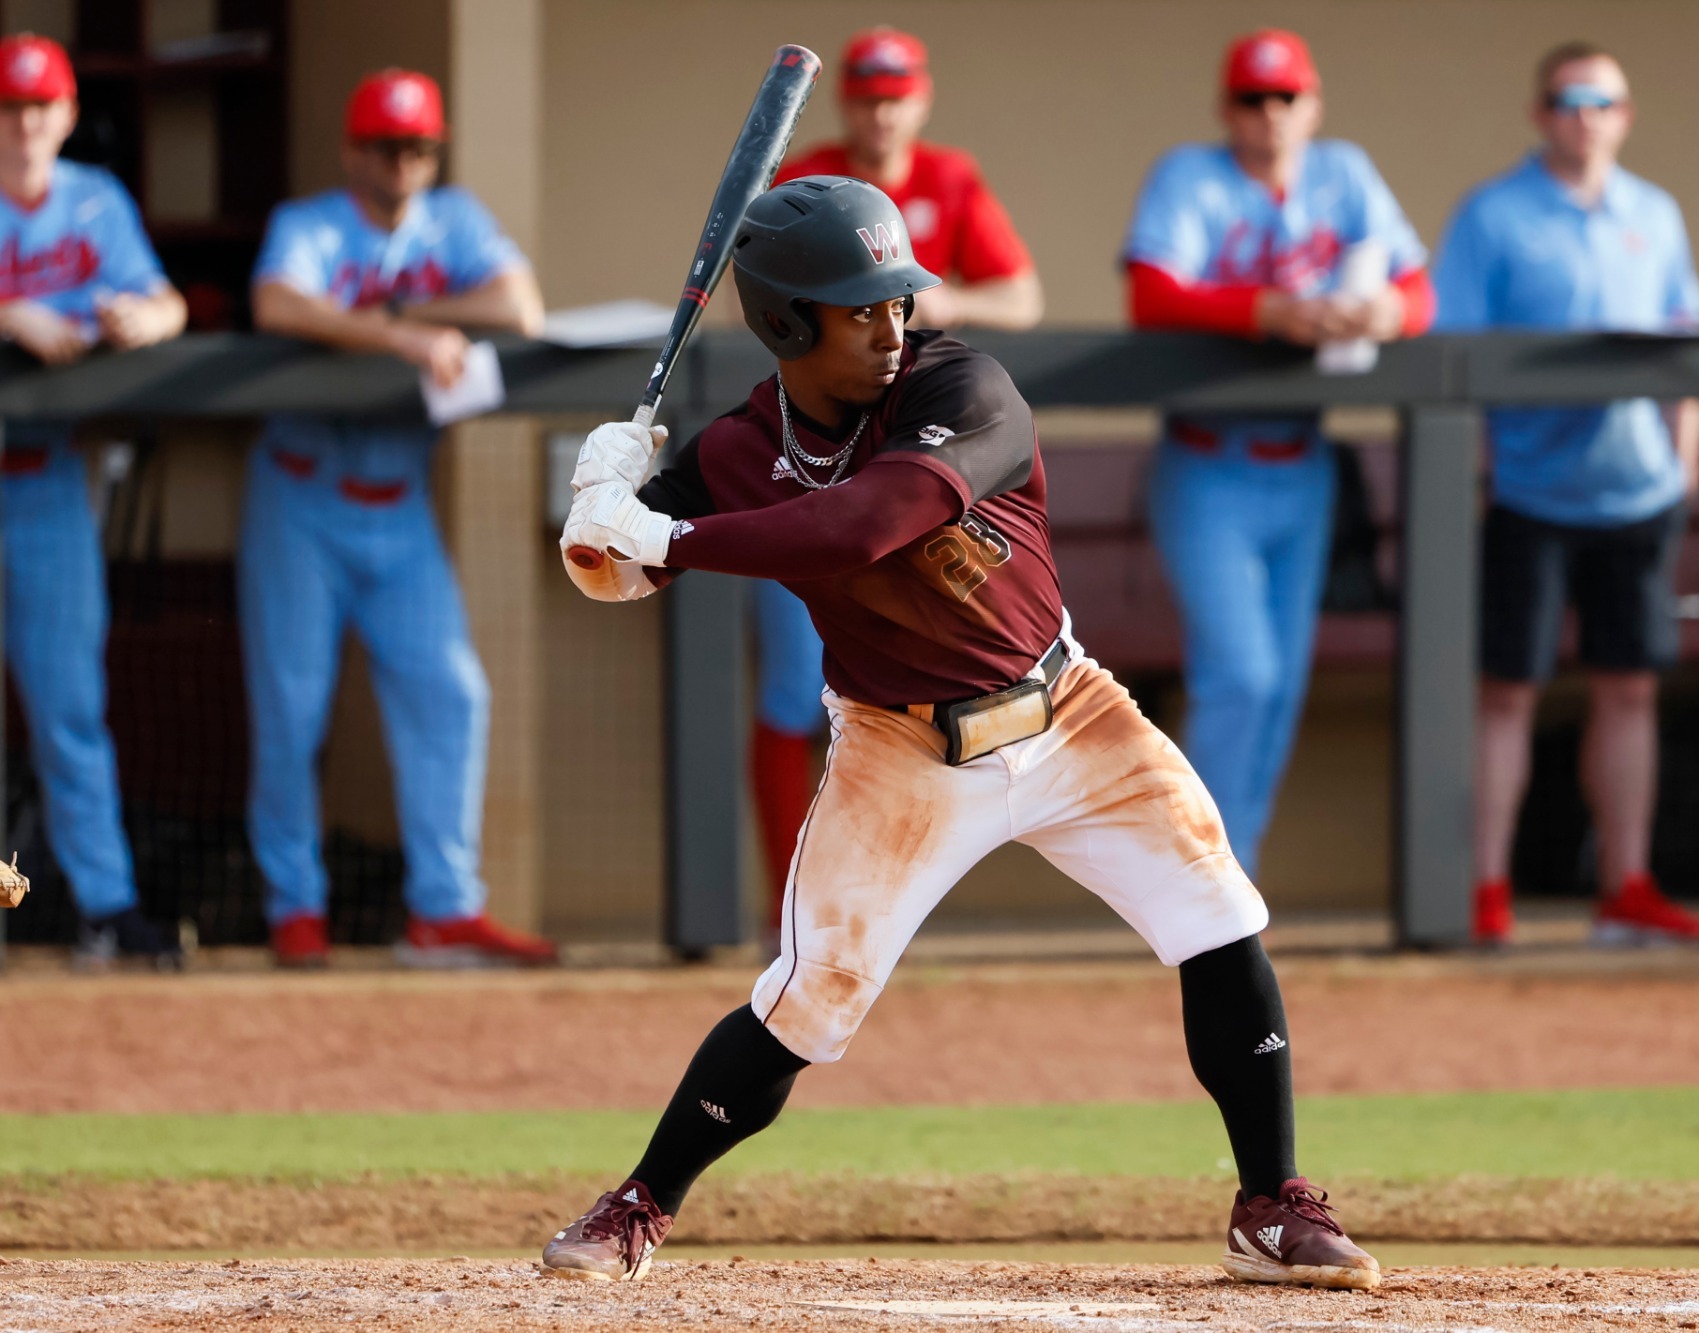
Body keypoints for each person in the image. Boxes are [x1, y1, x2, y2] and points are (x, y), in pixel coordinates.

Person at [543, 177, 1381, 1292]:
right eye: (862, 308)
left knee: (1217, 915)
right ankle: (639, 1203)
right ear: (788, 323)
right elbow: (615, 571)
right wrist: (601, 505)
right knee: (811, 995)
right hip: (896, 746)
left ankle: (1269, 1201)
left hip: (1066, 711)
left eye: (897, 300)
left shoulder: (962, 383)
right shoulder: (735, 449)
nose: (894, 325)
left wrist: (667, 528)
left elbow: (860, 524)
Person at [243, 69, 555, 968]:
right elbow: (278, 303)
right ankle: (295, 906)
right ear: (354, 150)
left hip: (399, 505)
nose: (404, 163)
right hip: (299, 495)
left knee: (452, 692)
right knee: (292, 714)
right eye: (388, 146)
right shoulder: (310, 224)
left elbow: (518, 307)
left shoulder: (451, 220)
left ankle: (444, 908)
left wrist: (401, 310)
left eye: (418, 146)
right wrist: (399, 337)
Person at [747, 26, 1044, 930]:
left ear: (920, 97)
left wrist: (933, 299)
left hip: (915, 470)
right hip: (816, 464)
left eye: (897, 91)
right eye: (869, 91)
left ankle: (872, 904)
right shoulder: (815, 177)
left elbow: (1022, 296)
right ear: (848, 101)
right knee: (796, 694)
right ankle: (790, 902)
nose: (882, 108)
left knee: (911, 689)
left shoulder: (949, 178)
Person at [1121, 29, 1433, 877]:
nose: (1271, 114)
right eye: (1254, 99)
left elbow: (1418, 286)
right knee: (1241, 676)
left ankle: (1234, 874)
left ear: (1312, 104)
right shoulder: (1192, 175)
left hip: (1305, 462)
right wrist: (1268, 312)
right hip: (1205, 461)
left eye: (1286, 97)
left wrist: (1384, 315)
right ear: (1228, 108)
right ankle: (1192, 875)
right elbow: (1151, 293)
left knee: (1282, 687)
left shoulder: (1344, 172)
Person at [1432, 41, 1699, 946]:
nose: (1585, 115)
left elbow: (1688, 340)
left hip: (1638, 495)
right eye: (1567, 99)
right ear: (1540, 112)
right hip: (1527, 494)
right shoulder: (1492, 216)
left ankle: (1626, 883)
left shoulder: (1657, 214)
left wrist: (1685, 460)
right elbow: (1452, 361)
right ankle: (1484, 894)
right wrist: (1475, 478)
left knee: (1630, 690)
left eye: (1603, 100)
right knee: (1508, 693)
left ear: (1626, 115)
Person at [0, 33, 186, 969]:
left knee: (71, 710)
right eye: (9, 106)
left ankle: (107, 910)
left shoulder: (94, 201)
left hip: (43, 486)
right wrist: (8, 314)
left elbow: (165, 303)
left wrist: (143, 317)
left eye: (40, 105)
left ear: (67, 114)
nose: (25, 122)